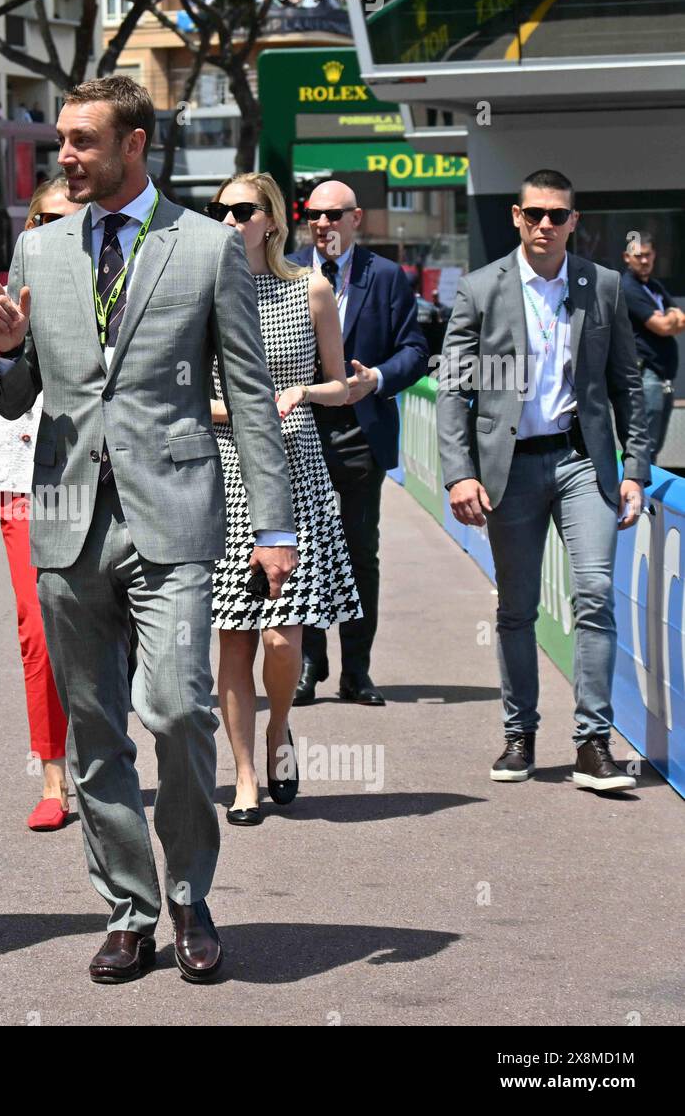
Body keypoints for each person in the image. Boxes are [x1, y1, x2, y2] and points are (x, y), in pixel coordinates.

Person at [0, 76, 296, 985]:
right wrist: (5, 352)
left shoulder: (206, 249)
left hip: (177, 514)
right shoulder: (38, 250)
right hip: (66, 515)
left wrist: (271, 523)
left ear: (135, 145)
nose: (64, 157)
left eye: (82, 141)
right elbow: (18, 397)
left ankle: (191, 891)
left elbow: (249, 395)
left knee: (173, 707)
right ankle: (129, 906)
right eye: (61, 143)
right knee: (92, 728)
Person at [437, 168, 649, 793]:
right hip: (512, 467)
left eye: (558, 215)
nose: (546, 225)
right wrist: (459, 474)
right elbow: (453, 388)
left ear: (573, 222)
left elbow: (627, 387)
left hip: (584, 462)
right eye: (535, 214)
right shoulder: (480, 289)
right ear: (516, 216)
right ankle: (519, 734)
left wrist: (634, 469)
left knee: (595, 595)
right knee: (517, 609)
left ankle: (591, 744)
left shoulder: (603, 286)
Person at [205, 173, 358, 824]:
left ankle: (279, 729)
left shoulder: (310, 289)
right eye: (220, 211)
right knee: (234, 638)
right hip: (227, 468)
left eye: (243, 210)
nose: (231, 219)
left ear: (272, 220)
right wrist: (235, 411)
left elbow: (344, 384)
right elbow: (178, 389)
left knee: (282, 638)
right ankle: (244, 777)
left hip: (295, 467)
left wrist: (302, 395)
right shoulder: (200, 292)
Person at [0, 177, 81, 831]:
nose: (52, 231)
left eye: (67, 221)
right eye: (42, 220)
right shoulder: (1, 304)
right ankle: (54, 775)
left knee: (94, 633)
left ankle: (99, 754)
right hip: (17, 486)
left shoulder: (105, 296)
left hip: (90, 484)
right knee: (38, 631)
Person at [287, 180, 429, 707]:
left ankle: (357, 672)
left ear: (356, 219)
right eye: (313, 215)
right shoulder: (288, 274)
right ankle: (310, 666)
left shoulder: (387, 278)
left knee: (358, 553)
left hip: (360, 433)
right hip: (301, 430)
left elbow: (415, 350)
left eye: (333, 215)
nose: (321, 224)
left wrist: (377, 379)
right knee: (303, 554)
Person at [621, 235, 683, 463]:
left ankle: (645, 495)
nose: (644, 261)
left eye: (647, 255)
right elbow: (663, 326)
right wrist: (667, 317)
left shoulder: (654, 287)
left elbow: (680, 319)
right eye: (638, 256)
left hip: (663, 376)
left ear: (654, 255)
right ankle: (636, 496)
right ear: (627, 258)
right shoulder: (628, 287)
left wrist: (669, 318)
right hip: (645, 375)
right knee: (643, 445)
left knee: (654, 446)